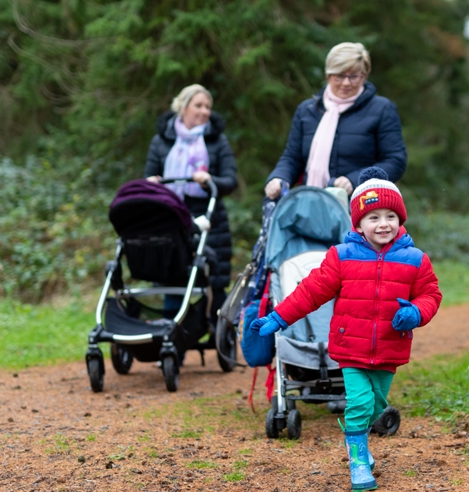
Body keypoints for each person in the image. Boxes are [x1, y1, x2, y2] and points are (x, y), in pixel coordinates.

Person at [251, 168, 442, 491]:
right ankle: (358, 459)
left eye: (390, 216)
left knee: (377, 404)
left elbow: (430, 295)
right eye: (373, 217)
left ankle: (360, 442)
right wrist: (278, 318)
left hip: (389, 347)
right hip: (350, 348)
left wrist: (416, 312)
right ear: (358, 223)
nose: (383, 224)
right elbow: (310, 292)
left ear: (401, 218)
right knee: (360, 402)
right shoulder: (341, 257)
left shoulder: (415, 259)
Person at [144, 84, 237, 327]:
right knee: (173, 275)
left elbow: (231, 181)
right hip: (171, 215)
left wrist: (210, 180)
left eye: (208, 107)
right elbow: (147, 177)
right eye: (199, 105)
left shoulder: (217, 141)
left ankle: (219, 330)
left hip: (209, 220)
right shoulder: (161, 141)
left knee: (213, 278)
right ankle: (172, 332)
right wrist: (152, 182)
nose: (205, 111)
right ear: (183, 107)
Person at [264, 42, 407, 200]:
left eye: (354, 76)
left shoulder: (382, 109)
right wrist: (279, 178)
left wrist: (354, 181)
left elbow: (395, 162)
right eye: (339, 75)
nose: (346, 83)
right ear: (328, 75)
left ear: (364, 76)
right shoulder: (307, 110)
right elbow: (292, 158)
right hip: (310, 204)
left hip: (360, 205)